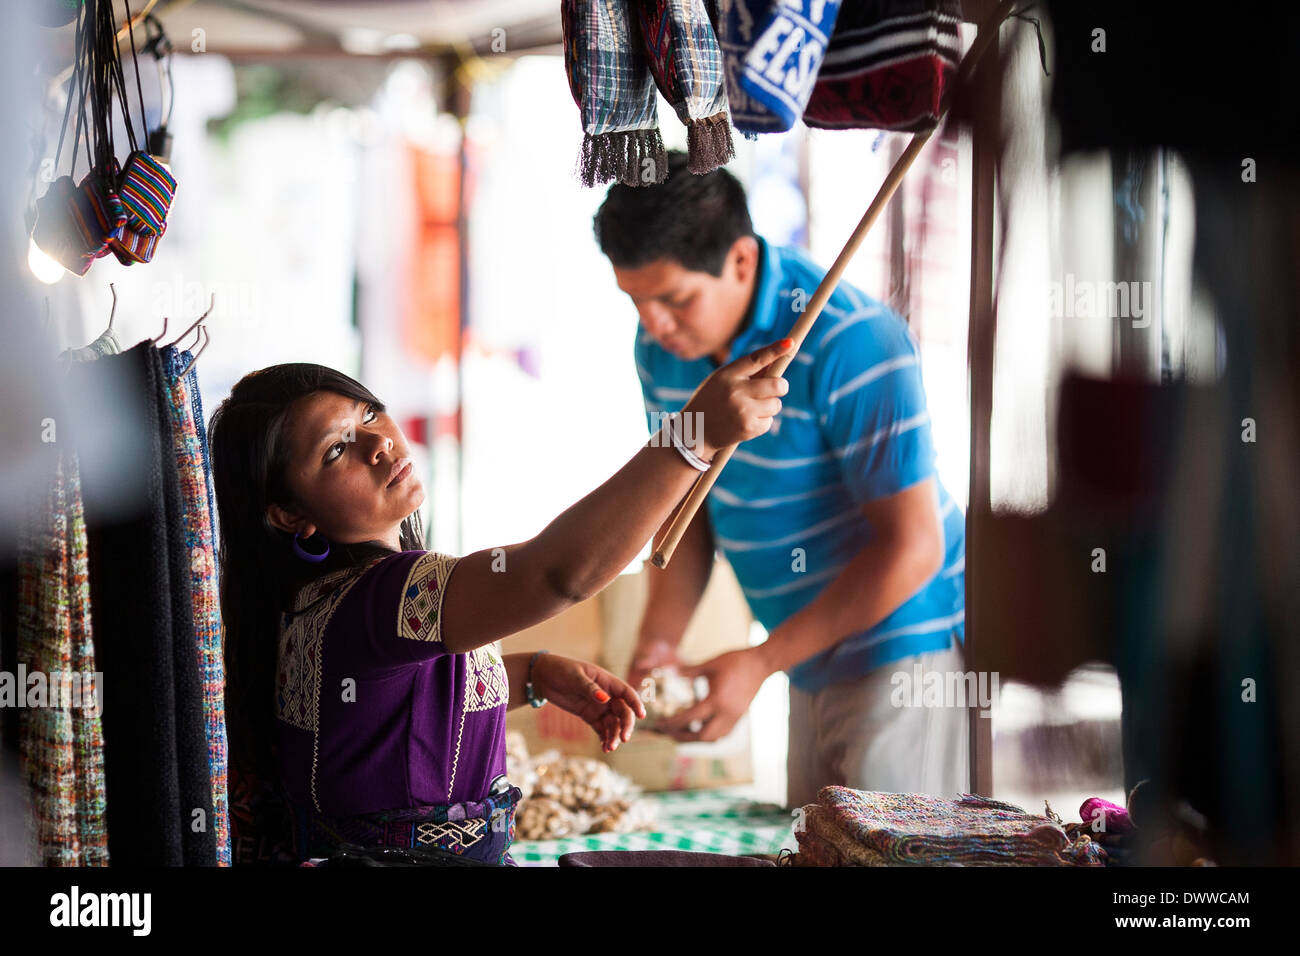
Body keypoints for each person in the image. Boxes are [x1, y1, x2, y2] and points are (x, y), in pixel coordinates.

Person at [208, 343, 792, 865]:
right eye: (336, 450)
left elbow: (391, 713)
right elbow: (555, 573)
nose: (379, 444)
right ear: (289, 515)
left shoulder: (317, 602)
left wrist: (532, 674)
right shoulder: (380, 594)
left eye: (367, 414)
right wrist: (689, 439)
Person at [594, 151, 968, 809]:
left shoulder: (851, 337)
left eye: (675, 300)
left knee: (890, 854)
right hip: (804, 649)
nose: (652, 326)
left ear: (740, 261)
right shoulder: (658, 349)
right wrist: (658, 644)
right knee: (815, 848)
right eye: (636, 302)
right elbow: (692, 507)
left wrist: (760, 661)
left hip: (902, 649)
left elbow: (914, 549)